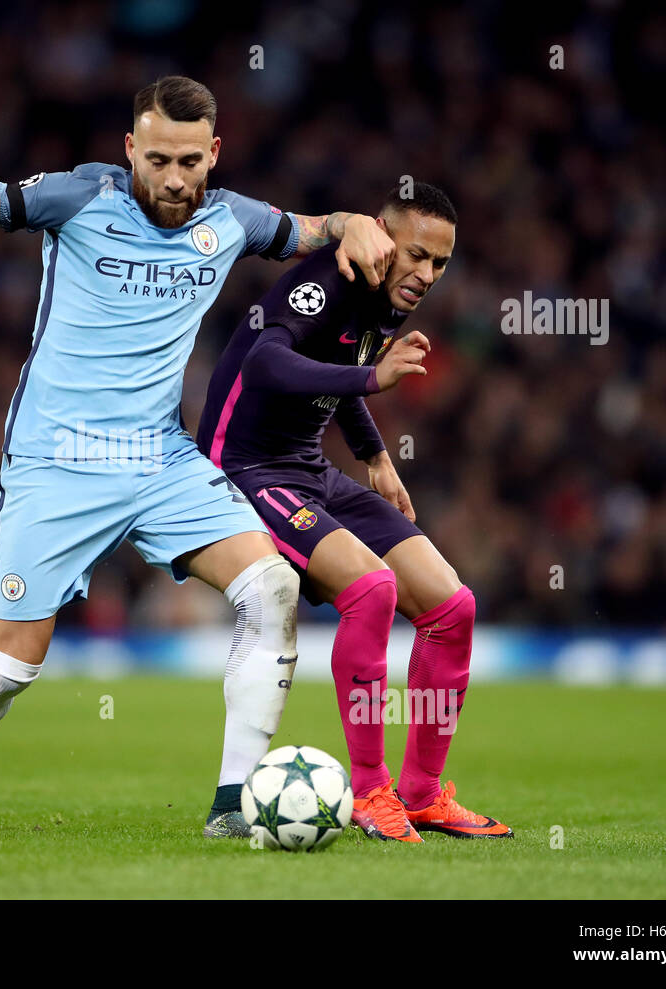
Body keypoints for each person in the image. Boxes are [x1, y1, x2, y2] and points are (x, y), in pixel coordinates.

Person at [0, 75, 397, 834]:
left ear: (215, 153)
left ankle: (232, 806)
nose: (174, 179)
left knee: (272, 589)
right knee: (8, 669)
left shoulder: (233, 219)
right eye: (158, 160)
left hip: (160, 459)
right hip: (56, 460)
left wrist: (356, 222)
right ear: (130, 148)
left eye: (191, 161)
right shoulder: (80, 197)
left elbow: (317, 228)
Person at [196, 182, 511, 840]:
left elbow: (337, 363)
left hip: (310, 467)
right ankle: (369, 791)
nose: (427, 274)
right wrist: (373, 379)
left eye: (441, 262)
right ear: (383, 239)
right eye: (418, 255)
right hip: (247, 468)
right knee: (371, 590)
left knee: (452, 608)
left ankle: (422, 794)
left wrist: (374, 453)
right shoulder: (327, 279)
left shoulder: (385, 298)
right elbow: (267, 362)